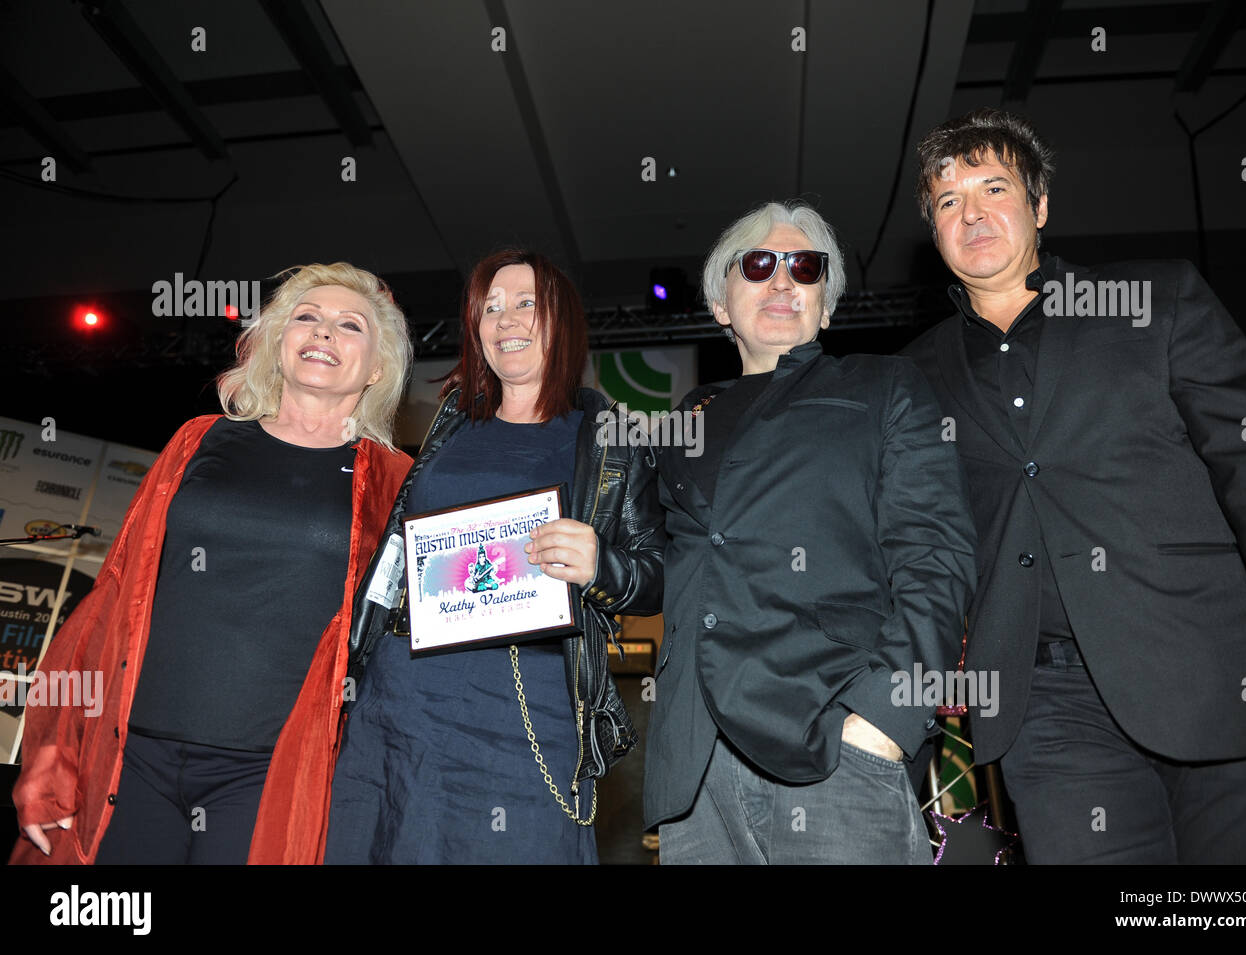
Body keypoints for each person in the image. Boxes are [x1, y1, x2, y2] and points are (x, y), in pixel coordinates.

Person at [901, 107, 1246, 863]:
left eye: (994, 187)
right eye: (949, 200)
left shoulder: (1156, 301)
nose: (972, 213)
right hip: (1047, 713)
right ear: (933, 229)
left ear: (1041, 205)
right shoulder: (913, 378)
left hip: (1214, 677)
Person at [10, 263, 414, 865]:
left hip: (270, 773)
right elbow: (115, 595)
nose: (323, 332)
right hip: (133, 755)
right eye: (306, 317)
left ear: (377, 368)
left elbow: (406, 641)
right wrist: (57, 746)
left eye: (348, 325)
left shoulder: (396, 481)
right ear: (278, 345)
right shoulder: (199, 440)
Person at [643, 201, 977, 864]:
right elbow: (657, 570)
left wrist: (884, 716)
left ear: (826, 306)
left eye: (805, 266)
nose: (783, 279)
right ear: (719, 304)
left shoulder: (884, 386)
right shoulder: (685, 420)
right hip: (694, 774)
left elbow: (936, 555)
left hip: (834, 746)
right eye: (758, 263)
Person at [326, 250, 664, 864]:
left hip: (528, 704)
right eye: (491, 307)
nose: (506, 318)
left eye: (527, 303)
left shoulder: (611, 435)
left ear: (563, 322)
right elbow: (398, 554)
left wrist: (601, 566)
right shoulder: (449, 425)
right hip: (402, 699)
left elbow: (654, 577)